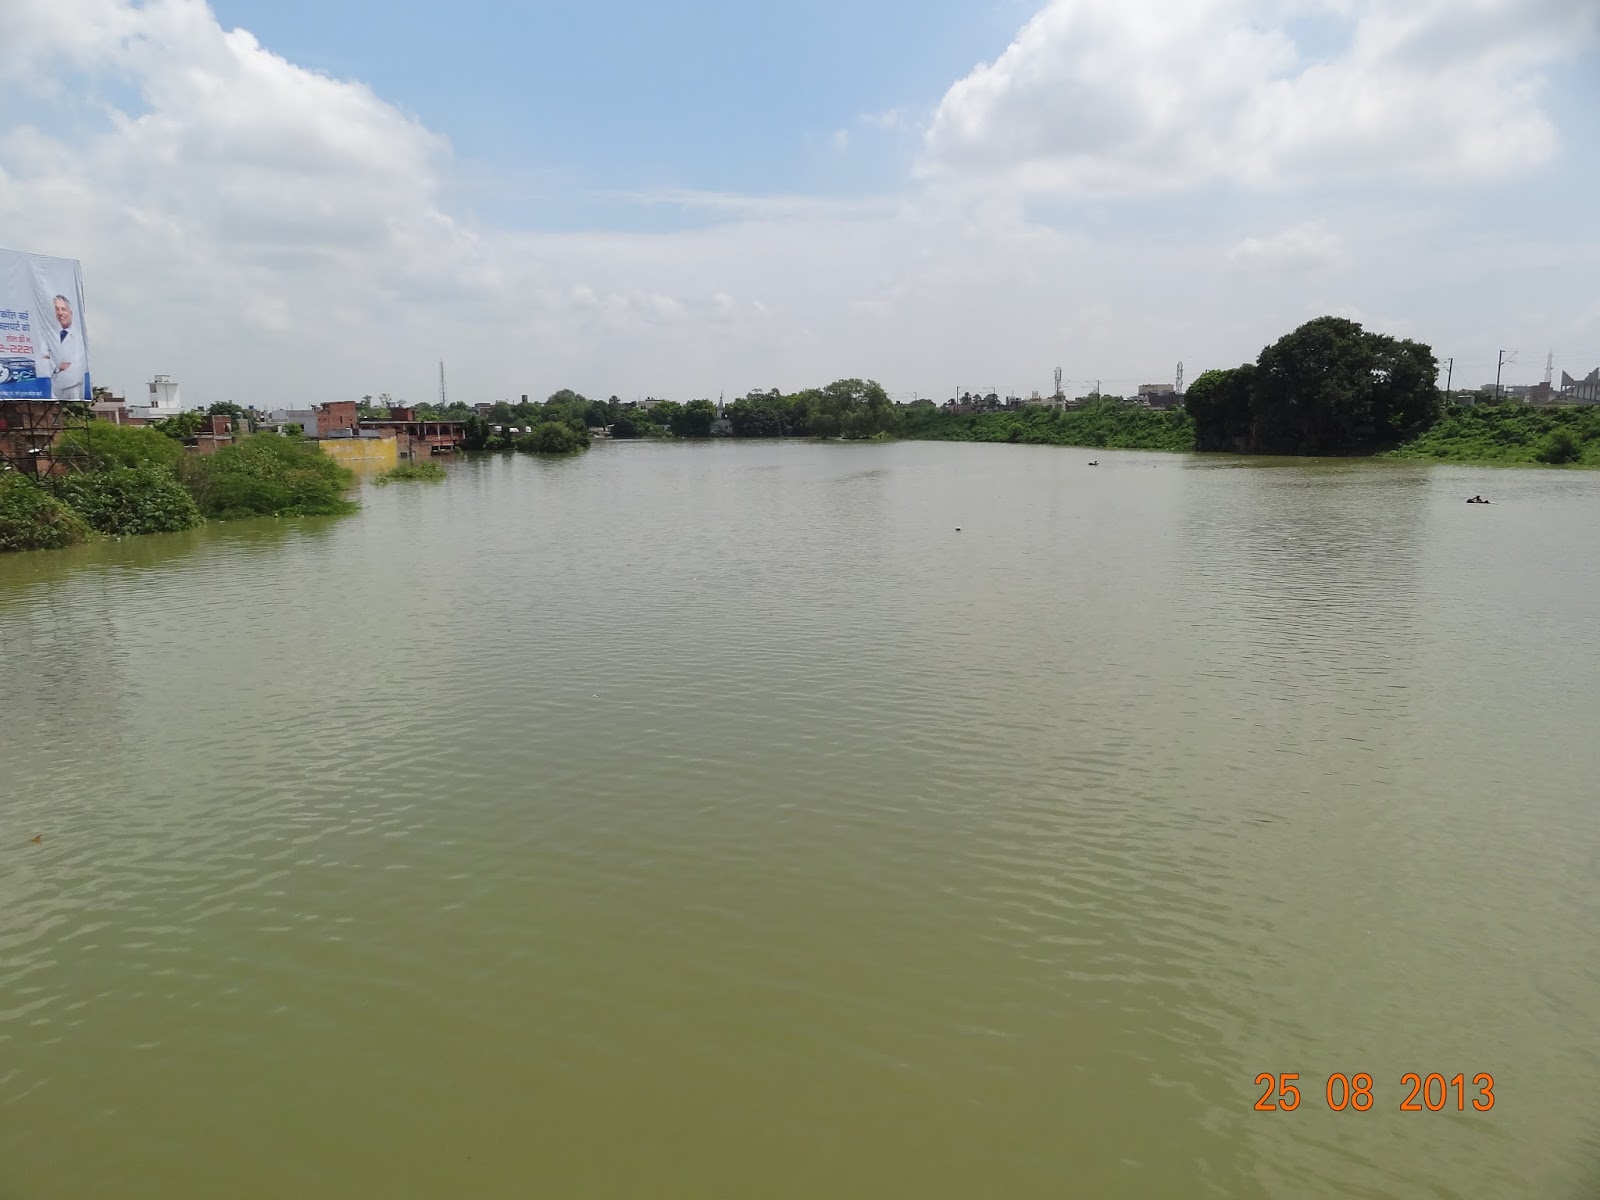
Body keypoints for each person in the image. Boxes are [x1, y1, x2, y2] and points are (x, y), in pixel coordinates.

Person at [50, 294, 85, 400]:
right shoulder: (50, 335)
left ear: (70, 313)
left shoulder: (79, 337)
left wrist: (53, 365)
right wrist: (58, 366)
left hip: (72, 388)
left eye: (63, 309)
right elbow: (41, 360)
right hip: (52, 389)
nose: (60, 313)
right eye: (57, 309)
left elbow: (74, 367)